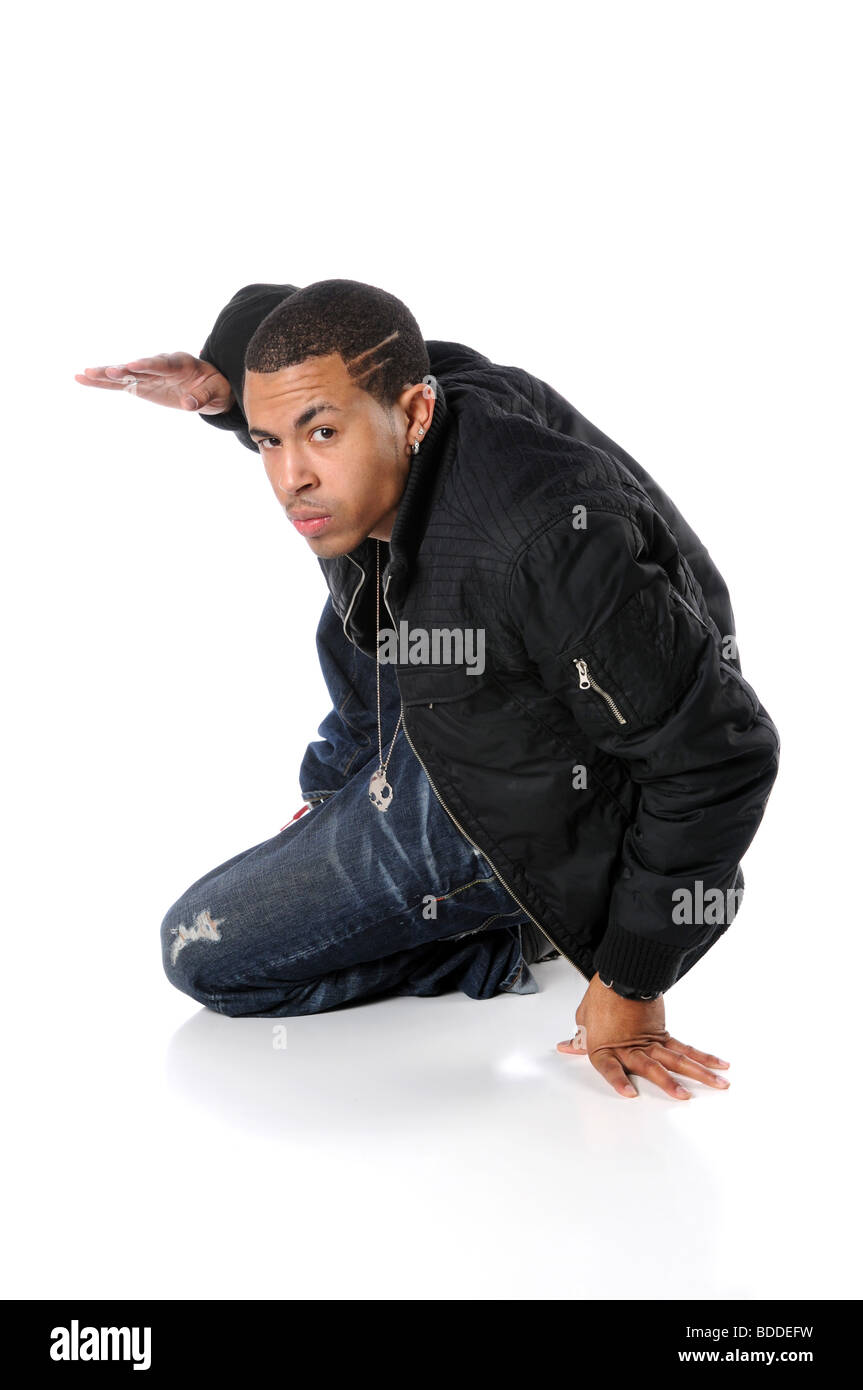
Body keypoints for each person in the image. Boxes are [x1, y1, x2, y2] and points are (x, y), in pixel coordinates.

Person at [74, 278, 780, 1100]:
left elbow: (718, 758)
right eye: (268, 441)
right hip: (486, 691)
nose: (289, 479)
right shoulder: (454, 394)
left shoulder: (533, 544)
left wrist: (631, 979)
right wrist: (226, 396)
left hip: (526, 793)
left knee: (199, 954)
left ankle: (515, 923)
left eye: (322, 432)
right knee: (358, 603)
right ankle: (361, 809)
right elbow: (338, 338)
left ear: (412, 414)